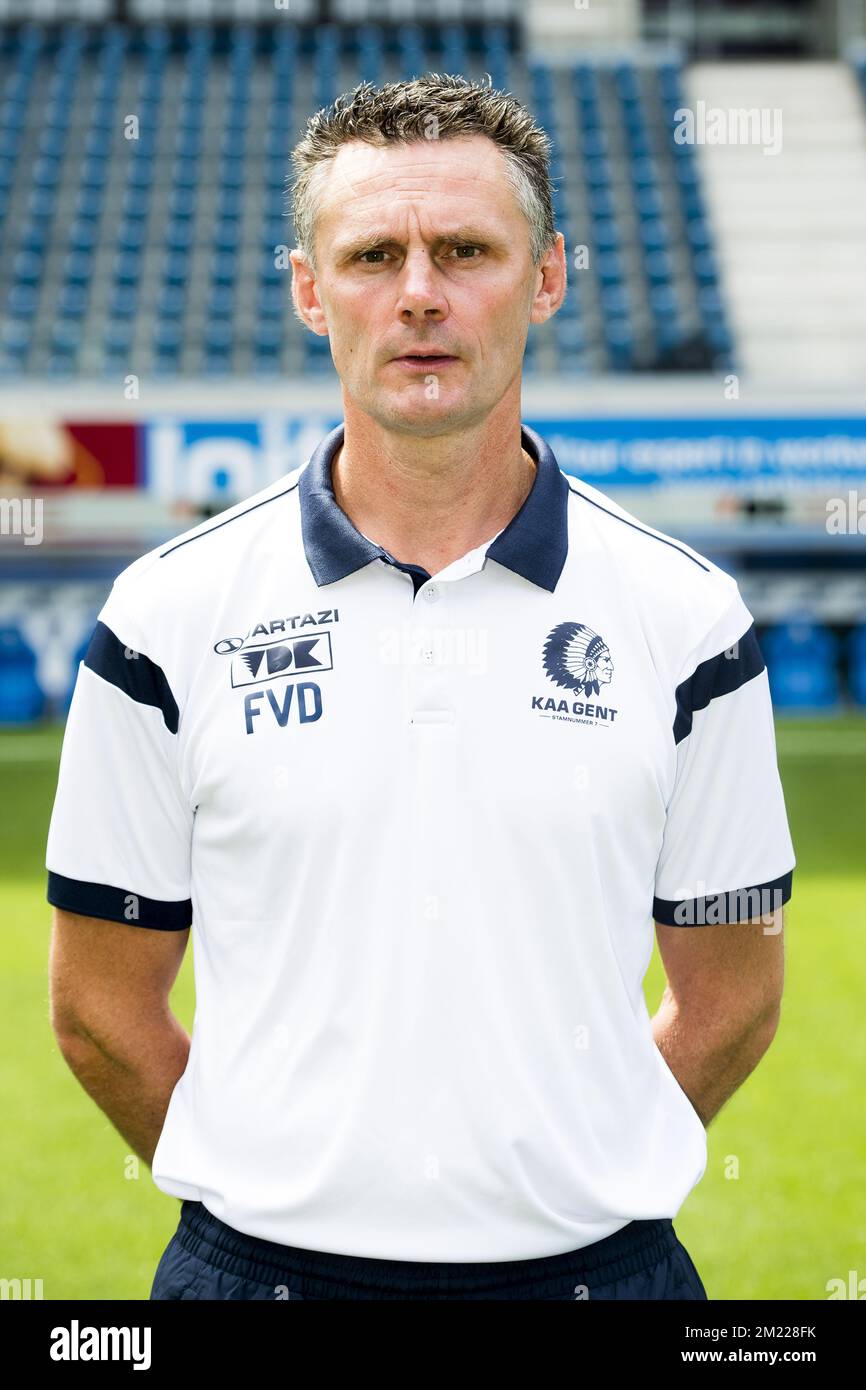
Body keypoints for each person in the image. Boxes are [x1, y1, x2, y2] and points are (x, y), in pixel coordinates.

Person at [45, 75, 795, 1302]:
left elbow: (732, 996)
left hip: (597, 1279)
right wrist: (286, 1195)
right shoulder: (166, 618)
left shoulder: (686, 618)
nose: (418, 294)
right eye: (371, 254)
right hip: (259, 1277)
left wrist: (559, 1178)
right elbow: (98, 1009)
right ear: (306, 288)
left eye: (464, 250)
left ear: (545, 276)